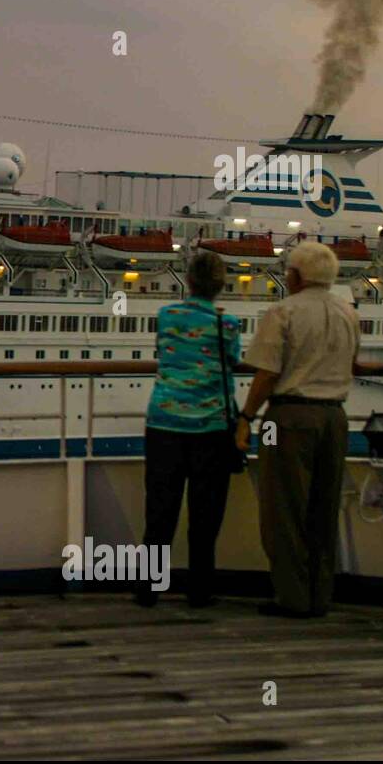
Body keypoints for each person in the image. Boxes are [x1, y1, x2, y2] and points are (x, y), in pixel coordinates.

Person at [237, 241, 359, 618]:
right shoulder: (348, 312)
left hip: (288, 418)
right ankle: (321, 595)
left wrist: (246, 417)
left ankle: (292, 597)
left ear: (296, 276)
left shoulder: (283, 311)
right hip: (335, 419)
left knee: (283, 507)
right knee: (324, 509)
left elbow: (267, 373)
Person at [136, 250, 241, 608]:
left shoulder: (166, 315)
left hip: (163, 421)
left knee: (160, 510)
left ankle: (149, 589)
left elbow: (162, 352)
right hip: (210, 426)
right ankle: (200, 590)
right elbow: (232, 361)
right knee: (205, 513)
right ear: (220, 285)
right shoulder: (226, 324)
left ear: (189, 280)